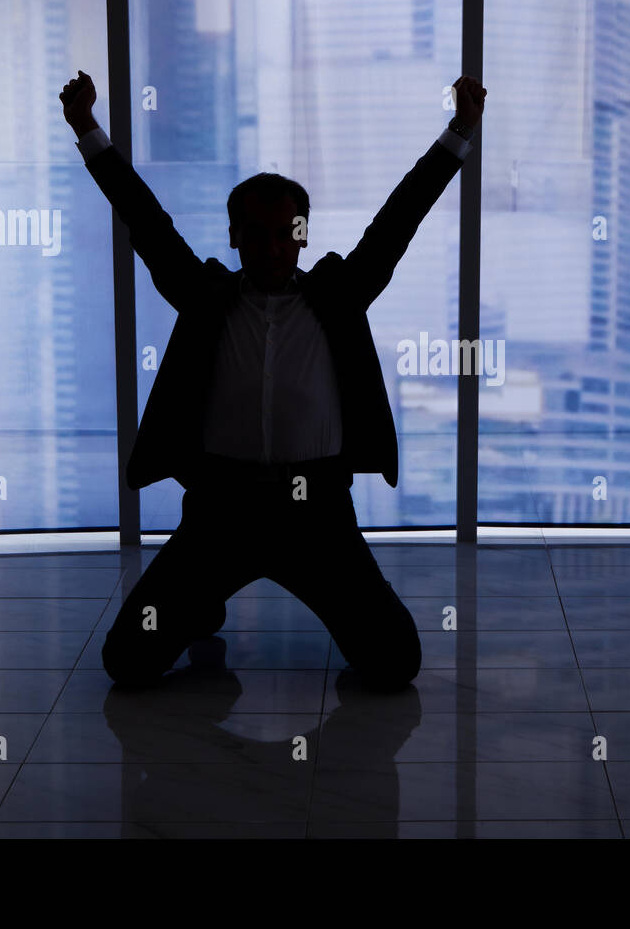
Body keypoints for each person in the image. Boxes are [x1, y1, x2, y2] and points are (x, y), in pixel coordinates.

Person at [59, 69, 485, 692]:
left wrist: (460, 131)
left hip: (317, 516)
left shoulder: (339, 295)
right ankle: (201, 600)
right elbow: (145, 220)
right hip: (219, 513)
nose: (270, 247)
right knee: (128, 662)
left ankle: (226, 602)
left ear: (303, 235)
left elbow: (400, 217)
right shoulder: (203, 296)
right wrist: (87, 130)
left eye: (285, 233)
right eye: (254, 234)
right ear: (233, 237)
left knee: (395, 663)